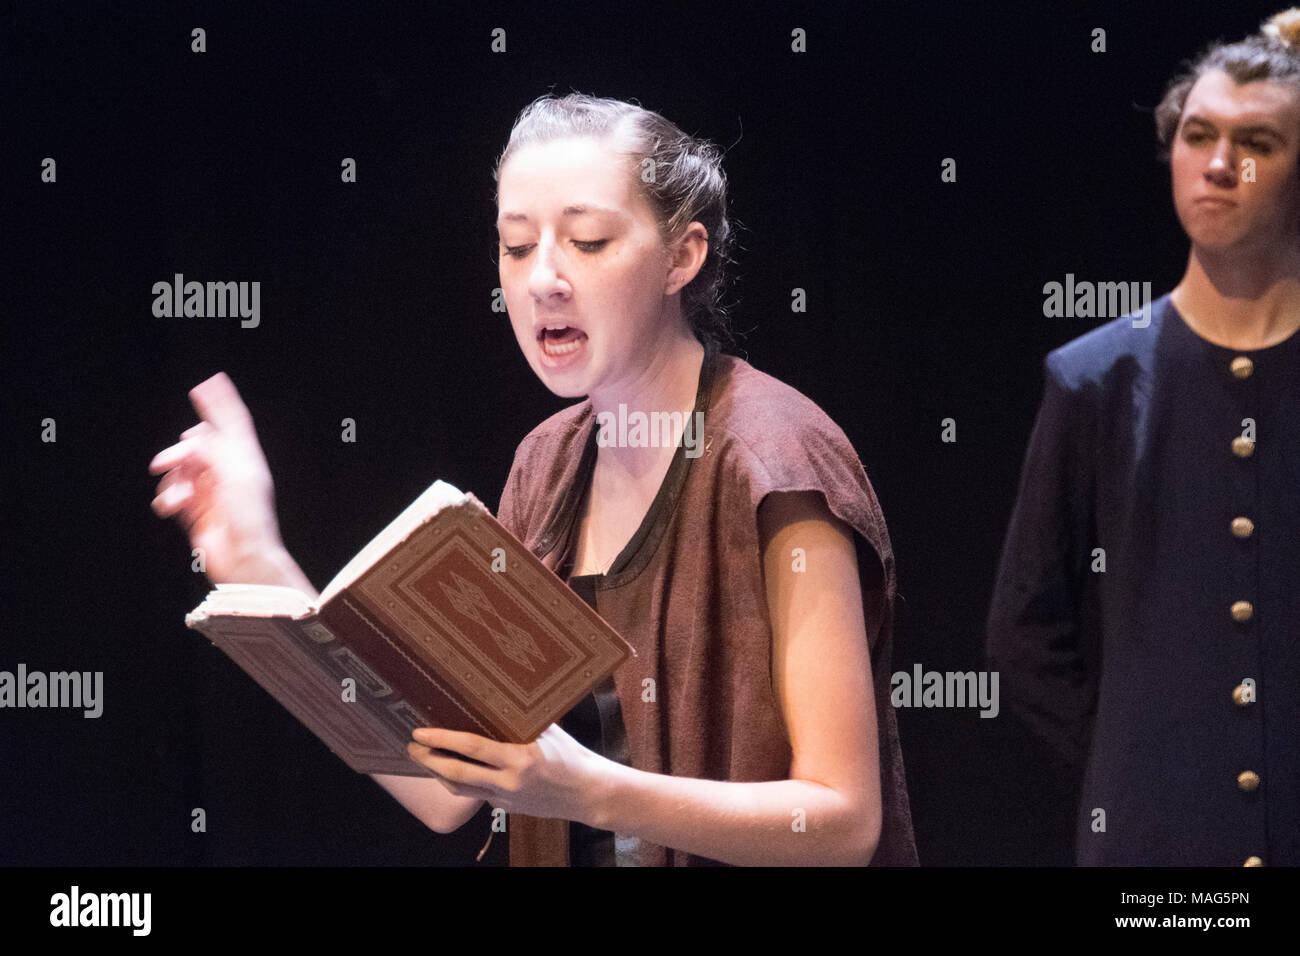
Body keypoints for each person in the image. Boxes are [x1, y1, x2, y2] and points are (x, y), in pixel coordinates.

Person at [150, 92, 918, 866]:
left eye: (586, 241)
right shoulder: (546, 463)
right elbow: (452, 788)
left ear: (681, 258)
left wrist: (589, 790)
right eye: (516, 248)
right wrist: (256, 562)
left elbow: (842, 822)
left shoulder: (776, 462)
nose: (543, 277)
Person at [986, 11, 1300, 866]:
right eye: (1199, 134)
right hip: (1154, 850)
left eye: (1259, 142)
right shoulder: (1095, 379)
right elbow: (1024, 631)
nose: (1220, 164)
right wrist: (1138, 764)